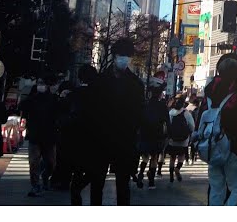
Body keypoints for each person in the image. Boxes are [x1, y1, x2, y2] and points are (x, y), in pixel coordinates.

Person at [88, 38, 145, 205]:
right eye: (122, 55)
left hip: (125, 140)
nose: (124, 59)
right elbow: (92, 111)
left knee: (123, 185)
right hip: (101, 139)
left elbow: (139, 113)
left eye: (127, 55)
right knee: (97, 183)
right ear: (114, 56)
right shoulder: (99, 82)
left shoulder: (136, 84)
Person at [201, 53, 237, 206]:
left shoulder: (210, 89)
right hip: (233, 144)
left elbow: (202, 116)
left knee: (216, 186)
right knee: (236, 187)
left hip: (212, 144)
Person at [65, 64, 105, 205]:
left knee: (76, 177)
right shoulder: (102, 96)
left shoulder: (73, 95)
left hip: (77, 144)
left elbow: (66, 119)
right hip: (97, 144)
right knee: (96, 183)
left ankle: (76, 197)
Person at [20, 75, 60, 197]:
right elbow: (22, 107)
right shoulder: (32, 99)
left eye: (42, 83)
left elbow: (59, 112)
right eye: (39, 83)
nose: (40, 86)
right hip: (34, 135)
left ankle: (45, 177)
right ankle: (35, 185)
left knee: (51, 162)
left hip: (49, 136)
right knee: (34, 161)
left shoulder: (54, 99)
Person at [136, 83, 169, 190]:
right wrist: (168, 134)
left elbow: (139, 120)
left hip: (145, 134)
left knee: (145, 156)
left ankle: (141, 173)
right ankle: (151, 181)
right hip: (157, 134)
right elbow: (167, 122)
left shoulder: (144, 105)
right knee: (154, 157)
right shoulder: (162, 106)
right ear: (160, 95)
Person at [165, 96, 194, 183]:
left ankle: (171, 176)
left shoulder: (171, 113)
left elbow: (167, 126)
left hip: (172, 140)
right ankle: (177, 169)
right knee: (181, 156)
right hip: (183, 140)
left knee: (172, 157)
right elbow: (192, 126)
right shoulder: (186, 113)